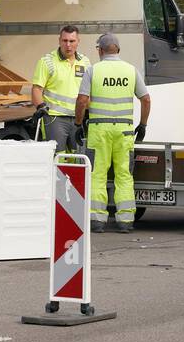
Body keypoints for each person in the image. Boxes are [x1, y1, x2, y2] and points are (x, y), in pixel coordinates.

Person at [74, 33, 150, 233]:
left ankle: (97, 220)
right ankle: (125, 221)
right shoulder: (130, 70)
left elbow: (82, 100)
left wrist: (78, 123)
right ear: (118, 50)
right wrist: (142, 125)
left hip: (99, 131)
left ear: (100, 50)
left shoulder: (93, 70)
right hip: (124, 131)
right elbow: (146, 99)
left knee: (97, 174)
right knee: (124, 175)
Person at [30, 24, 88, 151]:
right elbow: (36, 89)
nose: (68, 45)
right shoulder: (47, 61)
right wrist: (40, 106)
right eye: (65, 40)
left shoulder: (85, 62)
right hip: (55, 118)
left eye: (72, 41)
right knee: (57, 157)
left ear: (78, 42)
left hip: (78, 119)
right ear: (59, 41)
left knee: (79, 157)